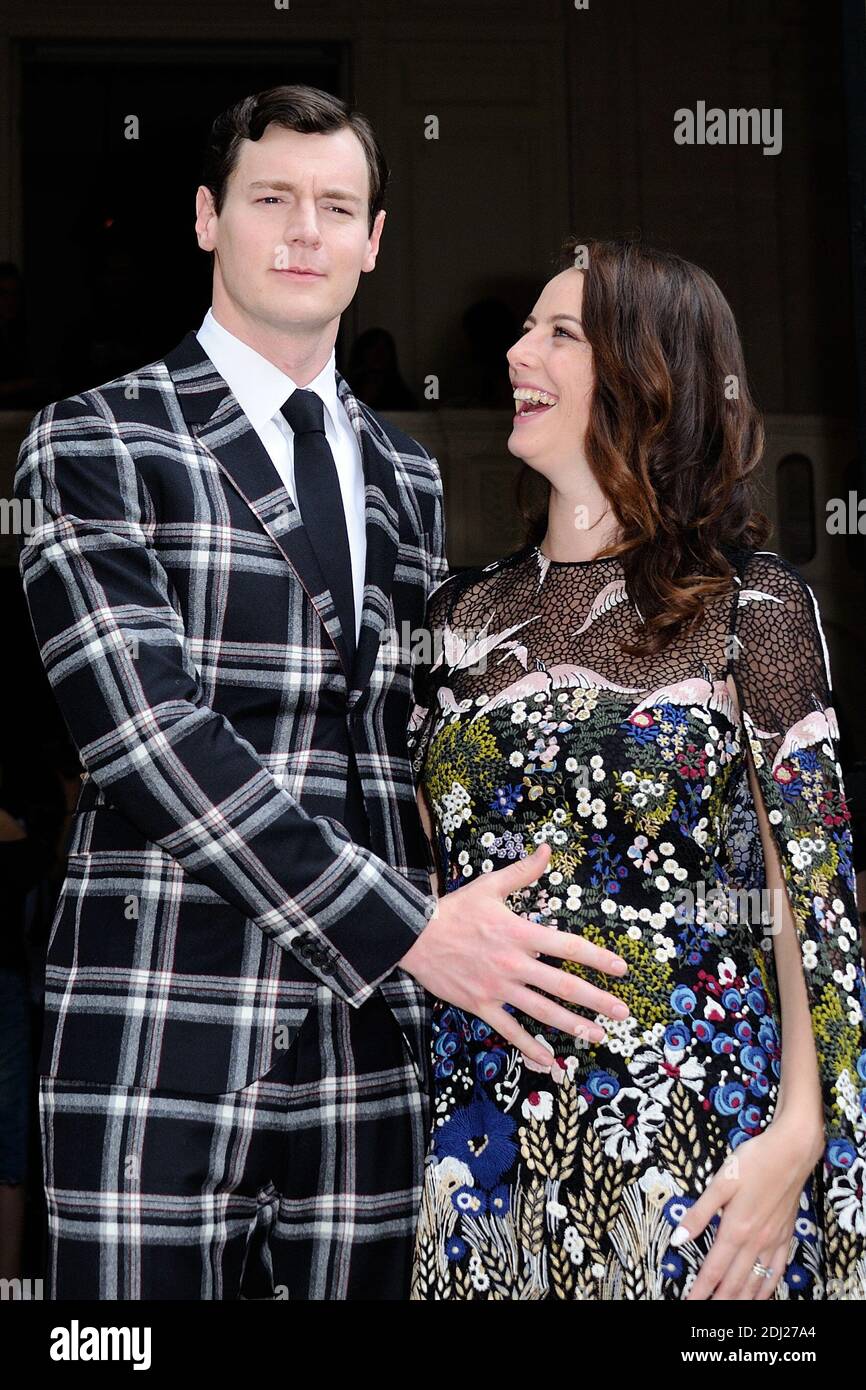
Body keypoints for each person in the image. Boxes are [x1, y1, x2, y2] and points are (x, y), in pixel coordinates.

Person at [14, 86, 623, 1301]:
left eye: (335, 206)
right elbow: (149, 738)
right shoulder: (95, 438)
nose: (304, 231)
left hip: (372, 1041)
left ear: (374, 240)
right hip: (160, 1020)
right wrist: (412, 927)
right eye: (271, 199)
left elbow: (405, 741)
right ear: (206, 219)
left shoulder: (407, 471)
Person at [408, 236, 866, 1300]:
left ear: (646, 375)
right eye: (525, 328)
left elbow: (811, 900)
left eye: (557, 331)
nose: (517, 350)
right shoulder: (454, 620)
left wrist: (797, 1136)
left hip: (700, 1142)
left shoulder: (750, 606)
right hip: (480, 1143)